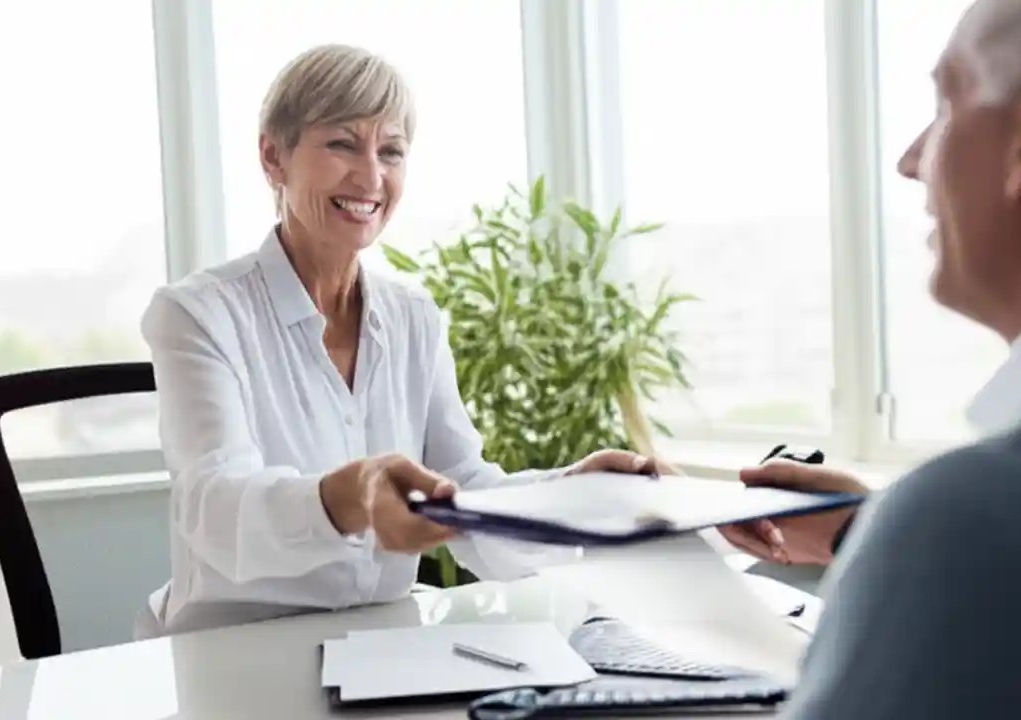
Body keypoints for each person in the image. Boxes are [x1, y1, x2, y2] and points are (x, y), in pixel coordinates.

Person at [720, 0, 1021, 716]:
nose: (912, 159)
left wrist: (934, 540)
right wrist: (874, 530)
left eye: (946, 103)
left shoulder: (998, 515)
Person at [135, 44, 660, 638]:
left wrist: (569, 496)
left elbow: (464, 488)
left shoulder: (414, 318)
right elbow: (215, 508)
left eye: (391, 151)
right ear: (272, 157)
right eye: (341, 143)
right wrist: (350, 496)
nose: (370, 176)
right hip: (234, 651)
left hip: (384, 649)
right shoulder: (198, 314)